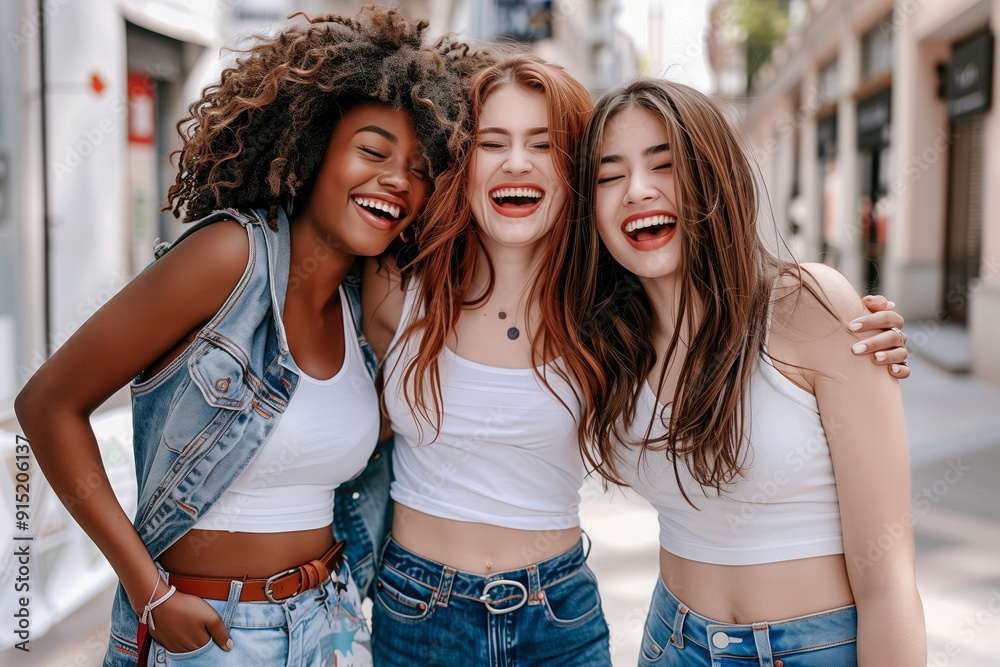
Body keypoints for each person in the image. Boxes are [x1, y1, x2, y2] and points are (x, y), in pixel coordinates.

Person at [362, 55, 909, 666]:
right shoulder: (409, 284)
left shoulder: (620, 318)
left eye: (542, 145)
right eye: (493, 143)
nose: (638, 190)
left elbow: (889, 575)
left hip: (572, 614)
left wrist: (858, 337)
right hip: (641, 636)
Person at [14, 7, 487, 666]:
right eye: (372, 151)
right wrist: (148, 591)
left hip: (332, 622)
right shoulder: (230, 257)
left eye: (419, 168)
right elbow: (47, 404)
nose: (397, 181)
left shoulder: (363, 304)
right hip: (216, 633)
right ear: (313, 148)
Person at [576, 79, 925, 666]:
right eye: (609, 176)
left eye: (665, 165)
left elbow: (888, 579)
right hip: (672, 643)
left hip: (811, 649)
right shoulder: (610, 339)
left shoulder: (807, 305)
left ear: (716, 178)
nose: (636, 190)